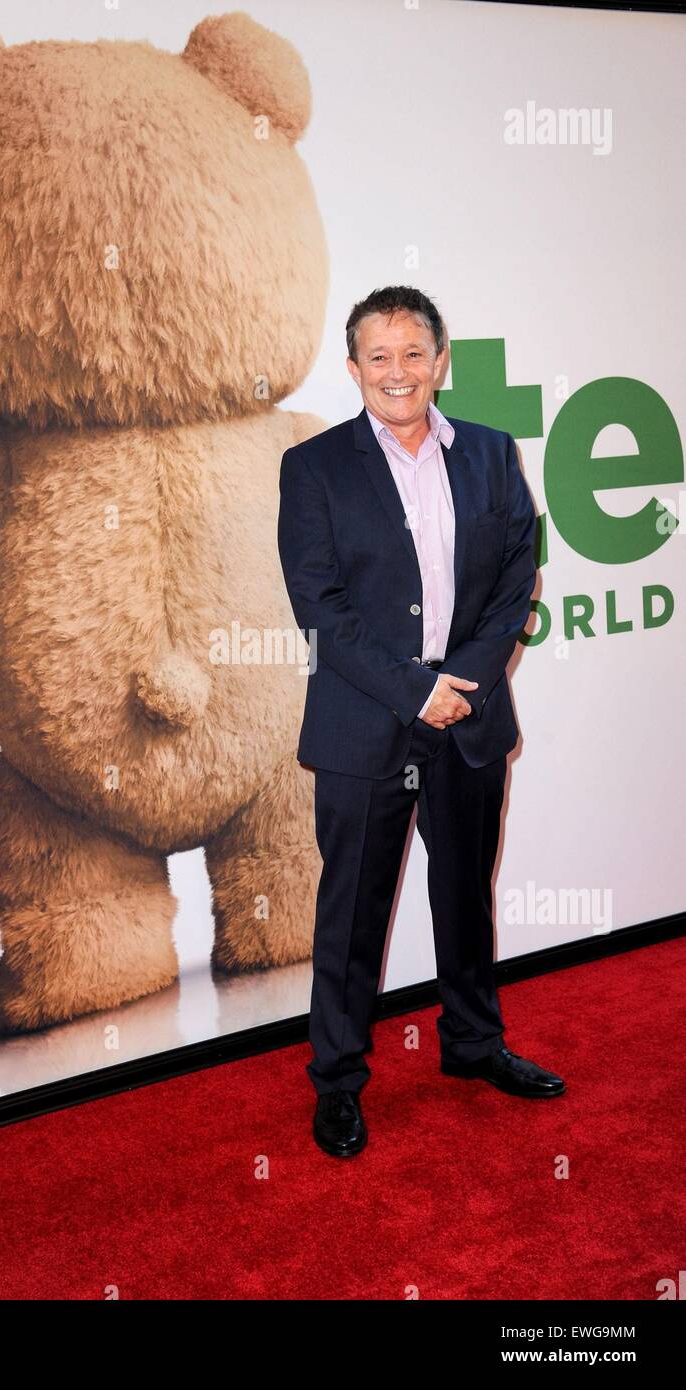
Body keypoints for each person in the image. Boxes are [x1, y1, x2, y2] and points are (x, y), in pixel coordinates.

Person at [277, 285, 565, 1159]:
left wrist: (465, 679)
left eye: (413, 354)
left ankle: (473, 1046)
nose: (396, 372)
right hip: (366, 723)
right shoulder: (315, 467)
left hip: (468, 715)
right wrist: (414, 689)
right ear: (354, 367)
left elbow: (517, 574)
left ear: (440, 362)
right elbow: (319, 608)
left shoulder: (487, 452)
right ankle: (337, 1083)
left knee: (462, 894)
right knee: (352, 912)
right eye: (378, 356)